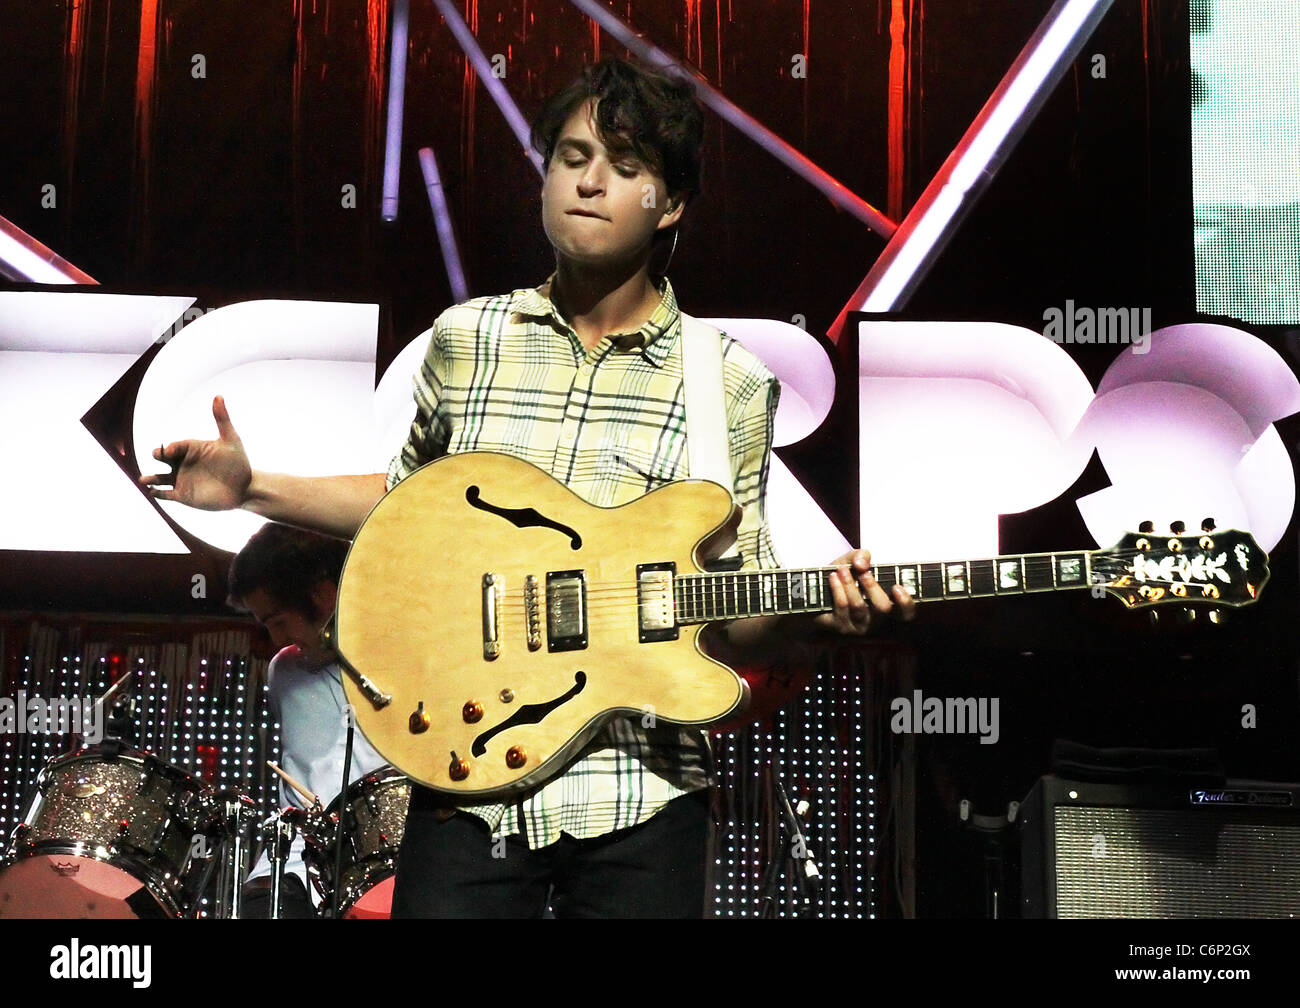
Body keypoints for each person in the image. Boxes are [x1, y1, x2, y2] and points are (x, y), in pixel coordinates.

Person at [141, 57, 914, 918]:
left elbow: (733, 616)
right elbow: (405, 508)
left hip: (642, 793)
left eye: (624, 165)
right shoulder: (468, 338)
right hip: (468, 770)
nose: (589, 182)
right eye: (572, 157)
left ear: (670, 203)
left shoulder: (725, 379)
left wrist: (819, 616)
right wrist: (253, 487)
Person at [227, 522, 389, 918]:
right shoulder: (282, 671)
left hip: (385, 851)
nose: (277, 639)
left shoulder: (402, 661)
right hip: (294, 860)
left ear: (325, 594)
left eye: (280, 621)